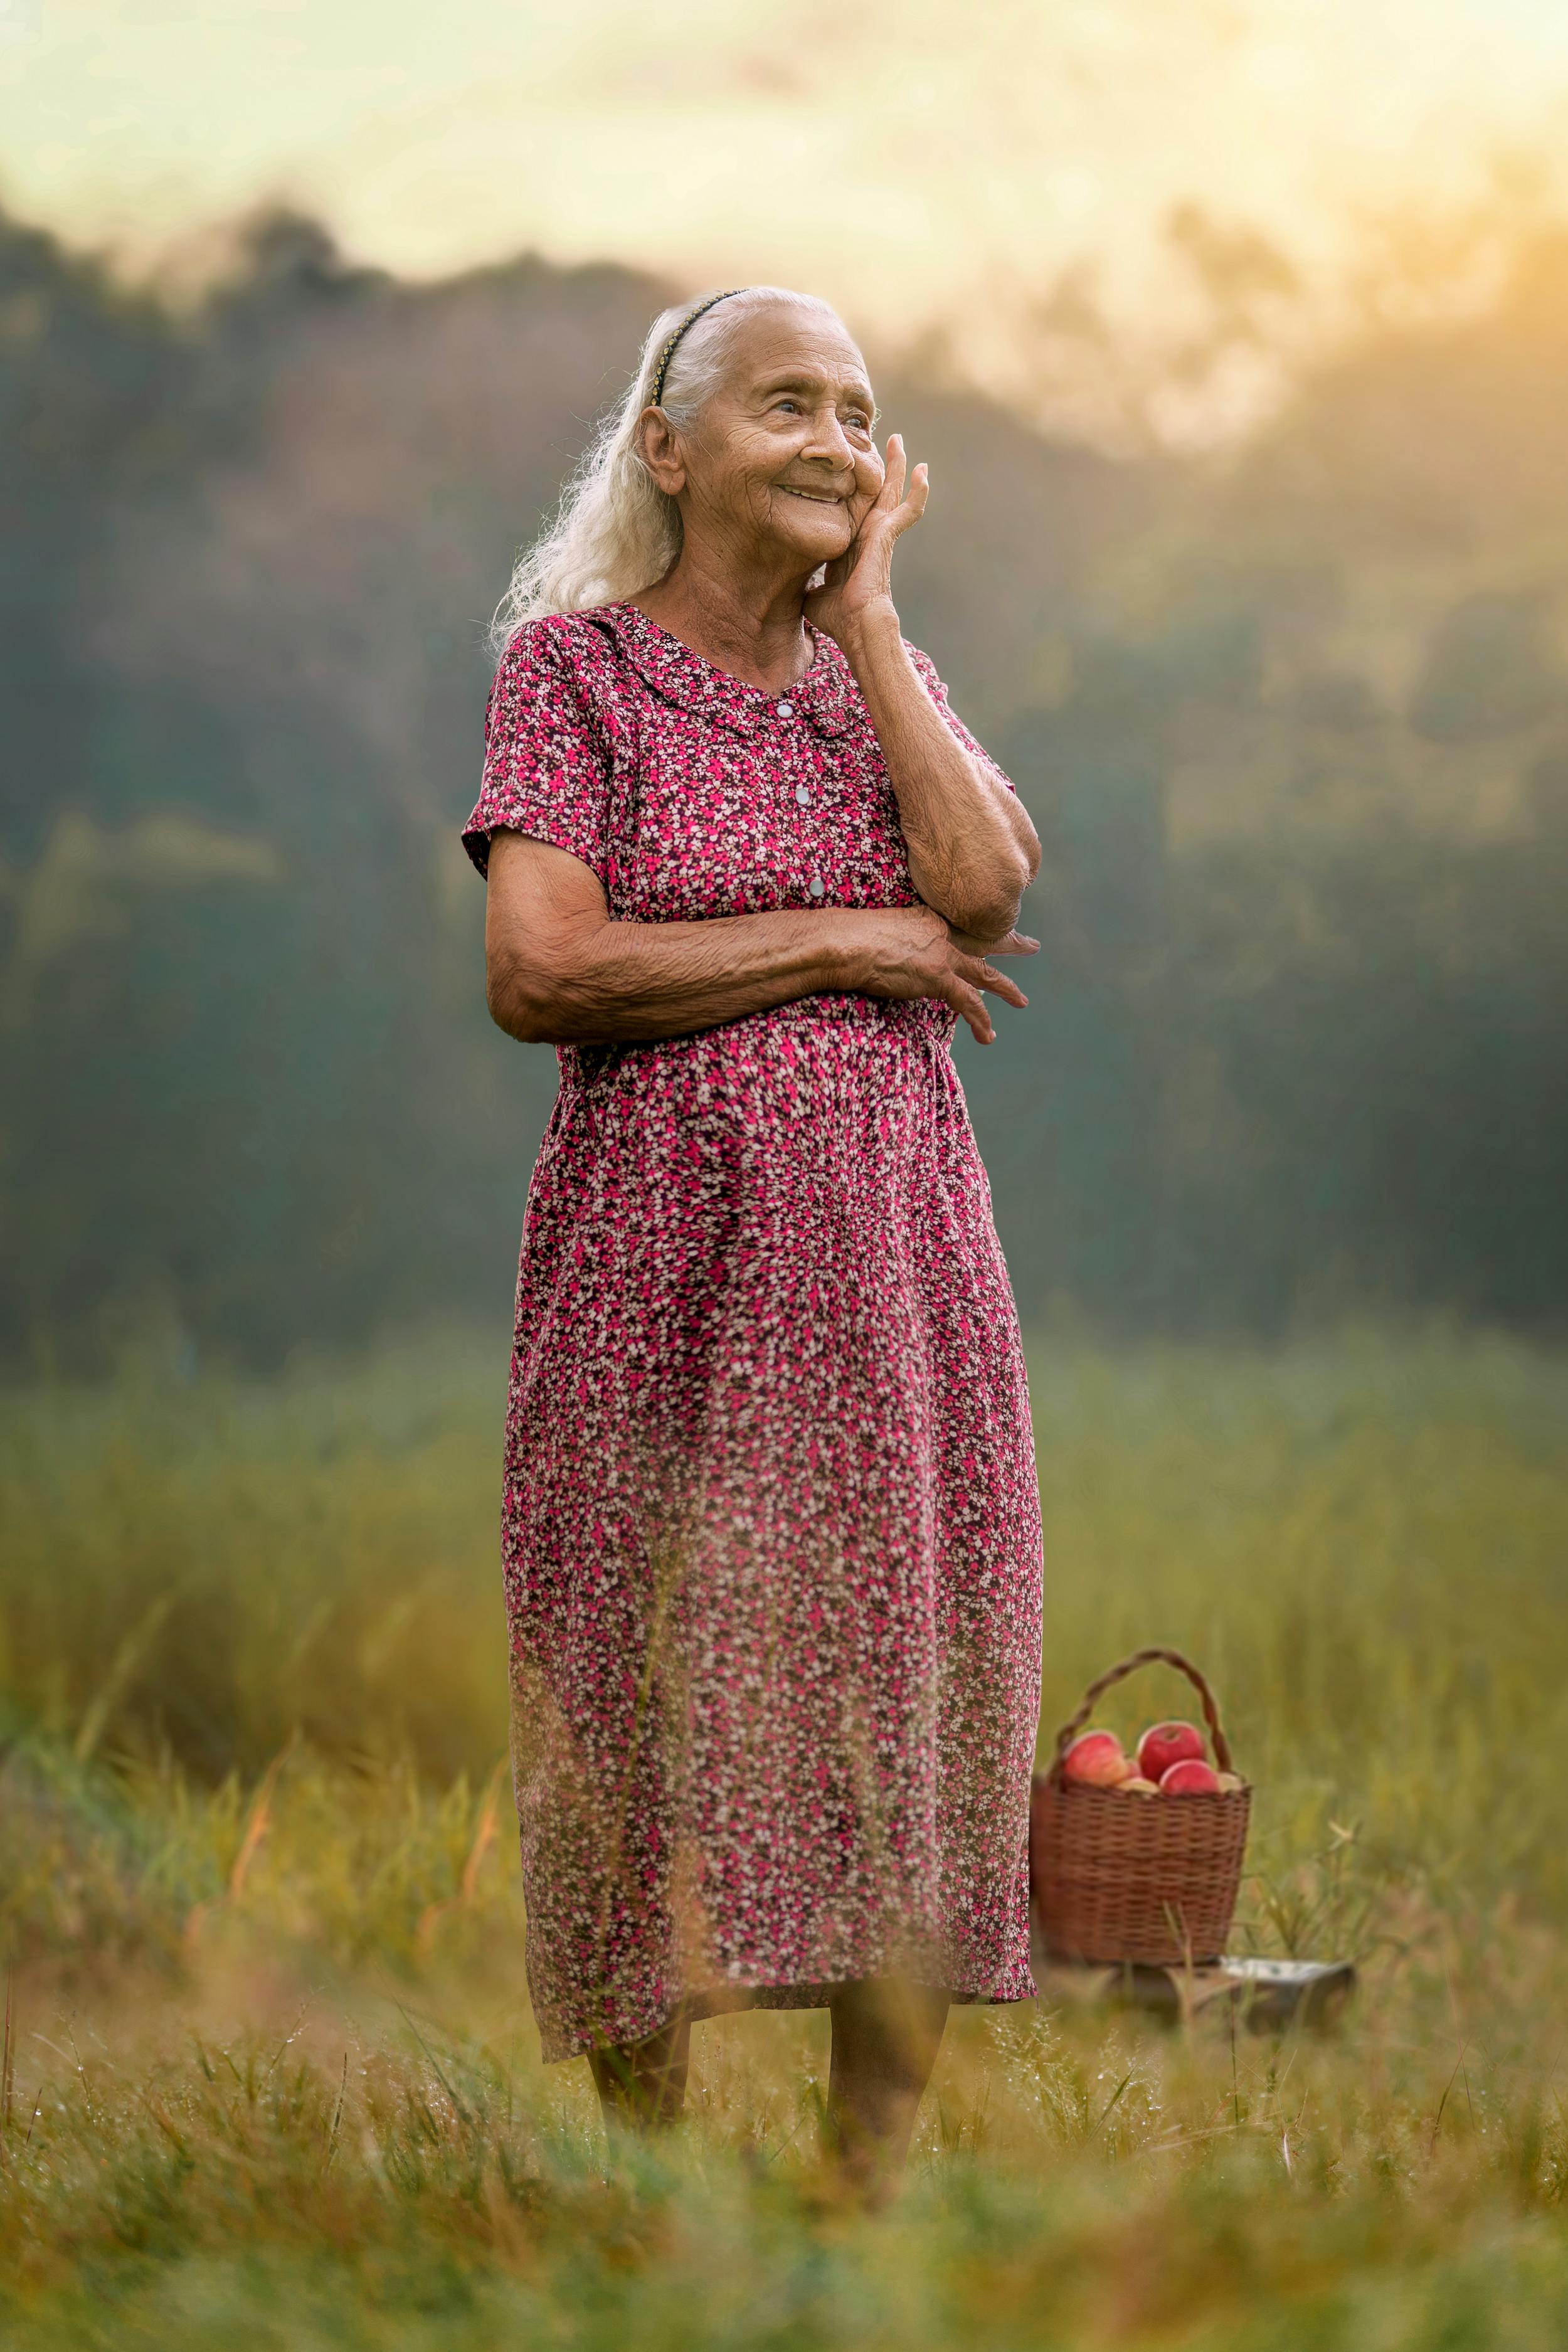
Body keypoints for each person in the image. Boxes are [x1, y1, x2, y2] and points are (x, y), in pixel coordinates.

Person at [461, 284, 1044, 2191]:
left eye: (857, 412)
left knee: (908, 1665)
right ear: (665, 447)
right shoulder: (574, 672)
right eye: (783, 402)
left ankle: (866, 2196)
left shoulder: (886, 667)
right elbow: (542, 969)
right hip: (657, 1272)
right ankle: (648, 2188)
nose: (829, 437)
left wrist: (869, 617)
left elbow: (977, 882)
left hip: (892, 1267)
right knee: (629, 1665)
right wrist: (837, 942)